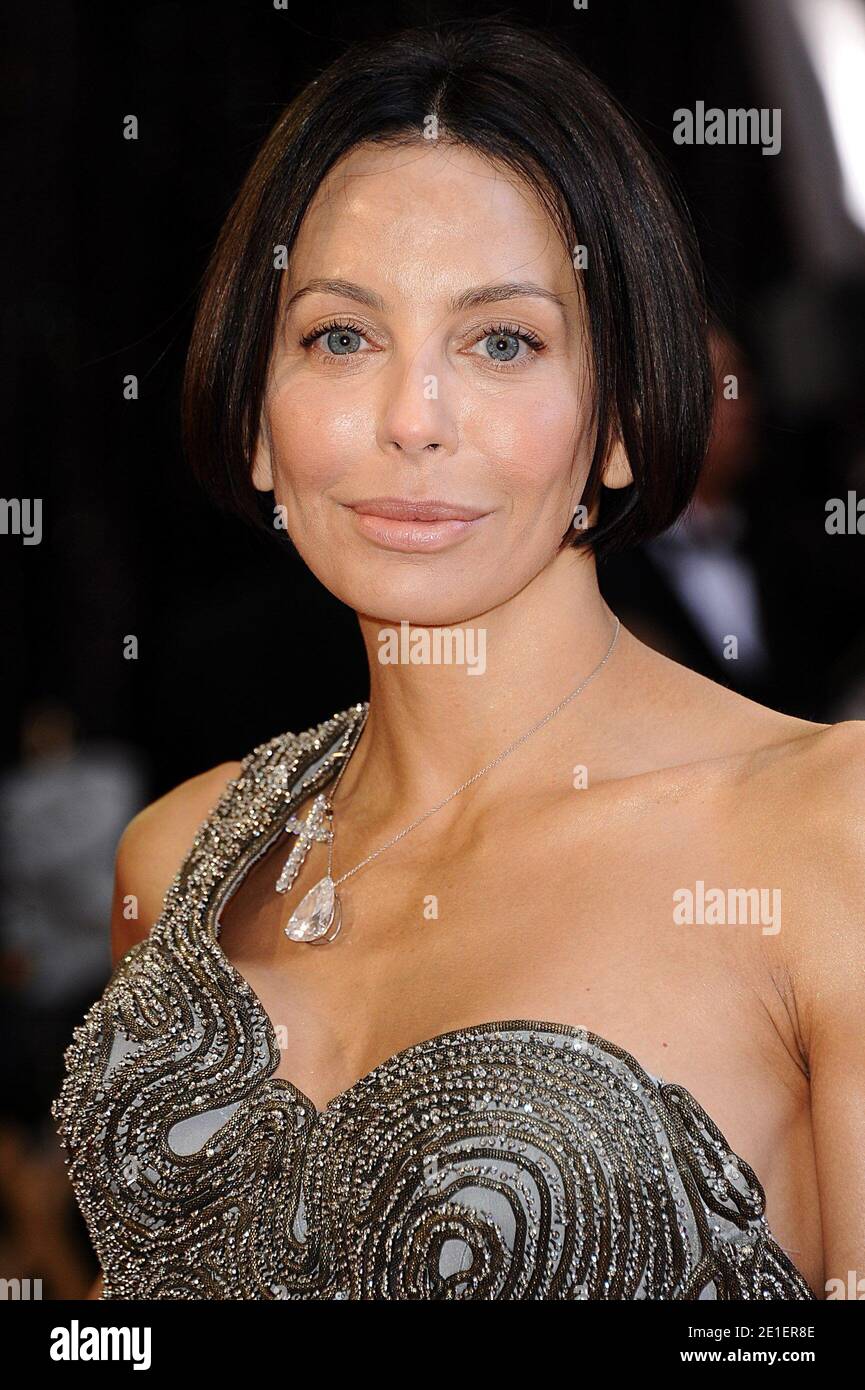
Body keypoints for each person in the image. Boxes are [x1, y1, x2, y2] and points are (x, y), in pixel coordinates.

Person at [52, 19, 864, 1301]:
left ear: (619, 416)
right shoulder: (176, 860)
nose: (409, 420)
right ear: (258, 418)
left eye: (501, 342)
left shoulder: (826, 830)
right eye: (338, 337)